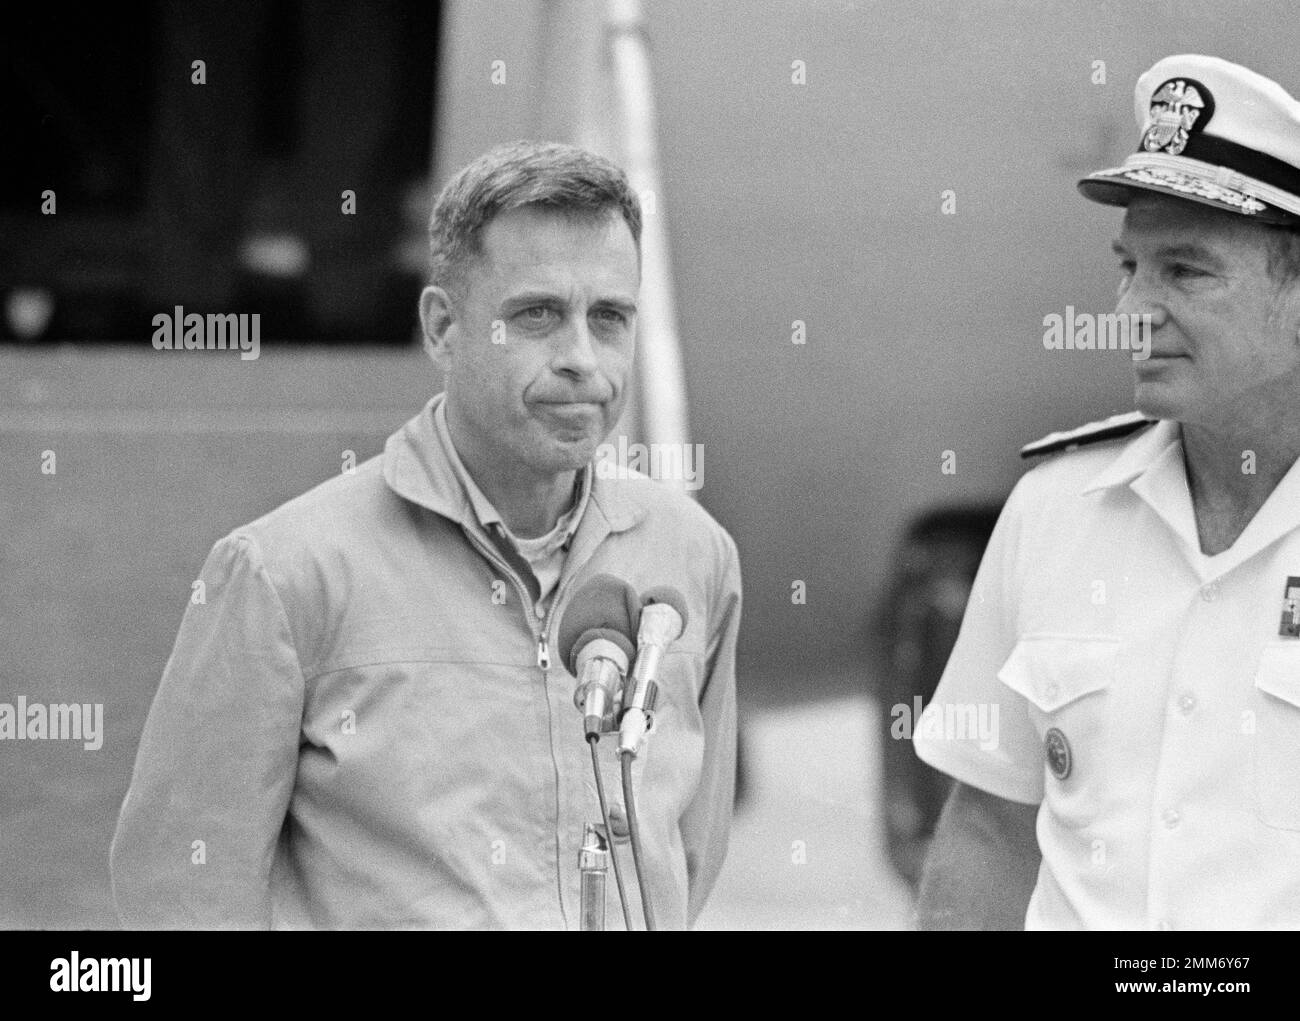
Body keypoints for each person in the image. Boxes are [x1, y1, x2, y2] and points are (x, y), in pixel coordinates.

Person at [110, 141, 742, 930]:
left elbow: (687, 860)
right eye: (538, 315)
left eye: (608, 318)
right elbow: (181, 899)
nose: (583, 359)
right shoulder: (283, 573)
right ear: (443, 328)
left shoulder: (696, 556)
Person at [914, 55, 1300, 930]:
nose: (1133, 305)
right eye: (1130, 265)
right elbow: (990, 830)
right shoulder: (1056, 508)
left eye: (1186, 272)